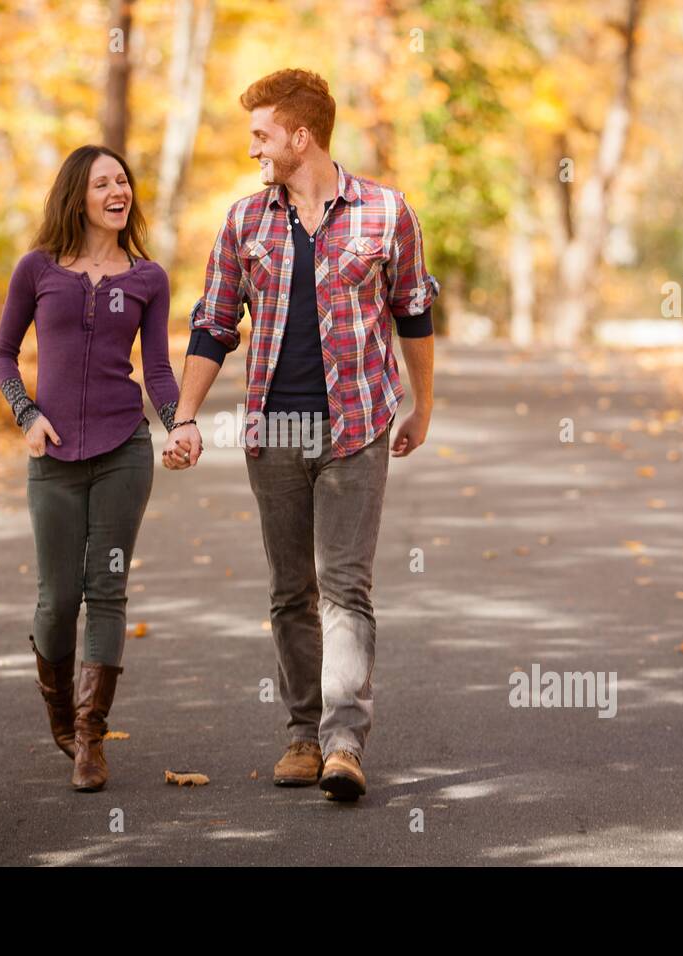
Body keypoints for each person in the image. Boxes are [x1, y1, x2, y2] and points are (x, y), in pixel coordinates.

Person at [162, 69, 438, 801]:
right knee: (291, 590)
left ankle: (343, 743)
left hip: (357, 425)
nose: (253, 147)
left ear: (300, 136)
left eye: (261, 134)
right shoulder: (245, 222)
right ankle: (299, 735)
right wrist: (184, 416)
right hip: (274, 431)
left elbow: (413, 311)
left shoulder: (386, 212)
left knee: (345, 590)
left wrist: (423, 406)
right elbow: (213, 324)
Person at [0, 144, 181, 792]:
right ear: (78, 196)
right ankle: (60, 719)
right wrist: (25, 414)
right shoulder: (37, 269)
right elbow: (2, 354)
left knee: (106, 589)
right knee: (56, 599)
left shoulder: (148, 278)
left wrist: (178, 420)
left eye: (122, 181)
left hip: (124, 448)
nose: (117, 191)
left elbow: (155, 369)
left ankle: (91, 736)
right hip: (53, 456)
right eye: (103, 183)